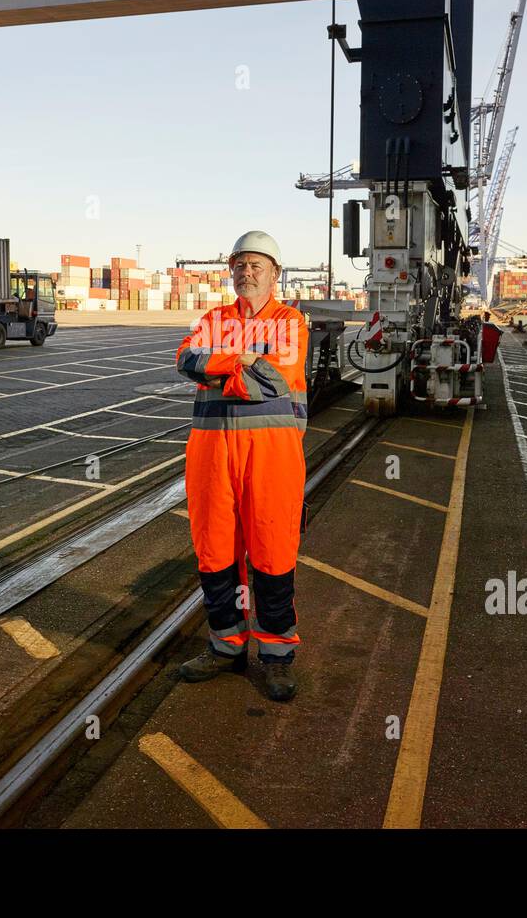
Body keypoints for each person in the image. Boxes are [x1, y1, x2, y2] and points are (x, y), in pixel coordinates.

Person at [174, 231, 309, 701]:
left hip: (271, 457)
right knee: (215, 553)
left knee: (272, 554)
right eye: (239, 264)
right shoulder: (214, 318)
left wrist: (222, 364)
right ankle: (226, 646)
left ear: (274, 272)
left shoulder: (291, 322)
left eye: (256, 265)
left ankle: (276, 657)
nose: (246, 272)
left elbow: (274, 379)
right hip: (211, 458)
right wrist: (243, 360)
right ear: (230, 270)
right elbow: (185, 359)